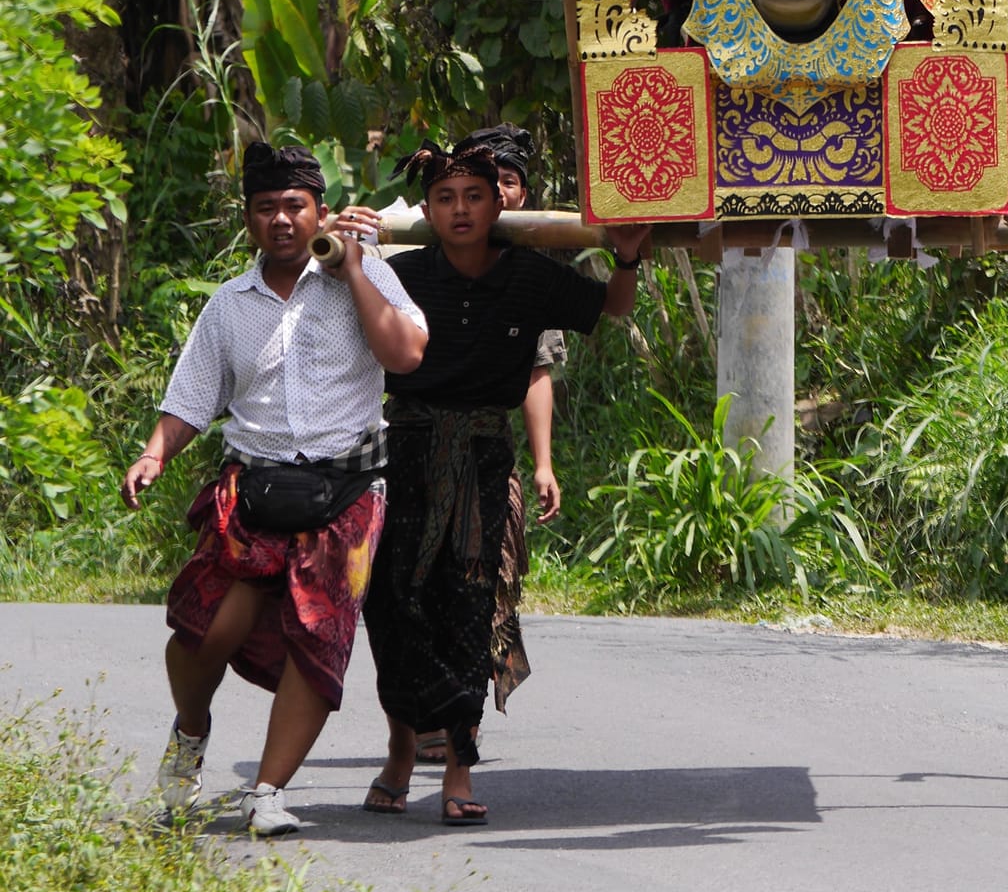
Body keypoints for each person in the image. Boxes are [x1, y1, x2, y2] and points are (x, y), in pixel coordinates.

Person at [123, 141, 428, 836]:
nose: (283, 219)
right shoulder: (229, 306)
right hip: (253, 488)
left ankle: (268, 789)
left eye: (296, 205)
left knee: (318, 637)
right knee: (204, 629)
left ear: (320, 209)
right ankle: (192, 731)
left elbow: (406, 353)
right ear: (249, 220)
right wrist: (153, 454)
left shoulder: (368, 274)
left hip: (349, 487)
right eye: (267, 208)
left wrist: (355, 267)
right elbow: (191, 399)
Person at [356, 142, 648, 823]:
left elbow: (615, 305)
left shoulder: (529, 276)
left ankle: (458, 767)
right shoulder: (401, 274)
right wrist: (354, 249)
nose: (461, 209)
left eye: (475, 196)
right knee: (394, 604)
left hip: (484, 456)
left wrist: (628, 254)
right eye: (447, 198)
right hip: (406, 450)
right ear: (427, 209)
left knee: (469, 605)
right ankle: (400, 745)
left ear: (499, 202)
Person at [413, 123, 562, 760]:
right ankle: (422, 718)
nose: (478, 201)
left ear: (517, 198)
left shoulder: (530, 274)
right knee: (417, 583)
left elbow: (536, 371)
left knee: (485, 578)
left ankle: (458, 720)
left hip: (488, 452)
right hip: (419, 446)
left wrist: (543, 463)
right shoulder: (418, 264)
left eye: (503, 183)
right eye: (464, 190)